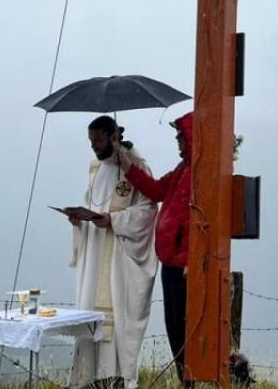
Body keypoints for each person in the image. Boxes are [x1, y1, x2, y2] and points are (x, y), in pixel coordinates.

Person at [67, 115, 158, 389]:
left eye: (98, 140)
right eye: (90, 141)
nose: (94, 146)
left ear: (113, 135)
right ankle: (88, 379)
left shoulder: (135, 165)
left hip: (119, 255)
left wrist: (114, 221)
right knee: (89, 312)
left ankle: (115, 380)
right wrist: (79, 220)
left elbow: (148, 210)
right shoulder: (96, 167)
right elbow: (91, 202)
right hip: (94, 251)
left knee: (115, 317)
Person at [116, 111, 194, 383]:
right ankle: (186, 378)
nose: (177, 140)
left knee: (185, 328)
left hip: (184, 267)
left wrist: (189, 260)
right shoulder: (183, 169)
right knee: (174, 327)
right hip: (171, 263)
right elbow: (157, 190)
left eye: (181, 136)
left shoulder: (200, 172)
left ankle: (190, 378)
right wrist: (128, 167)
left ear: (193, 137)